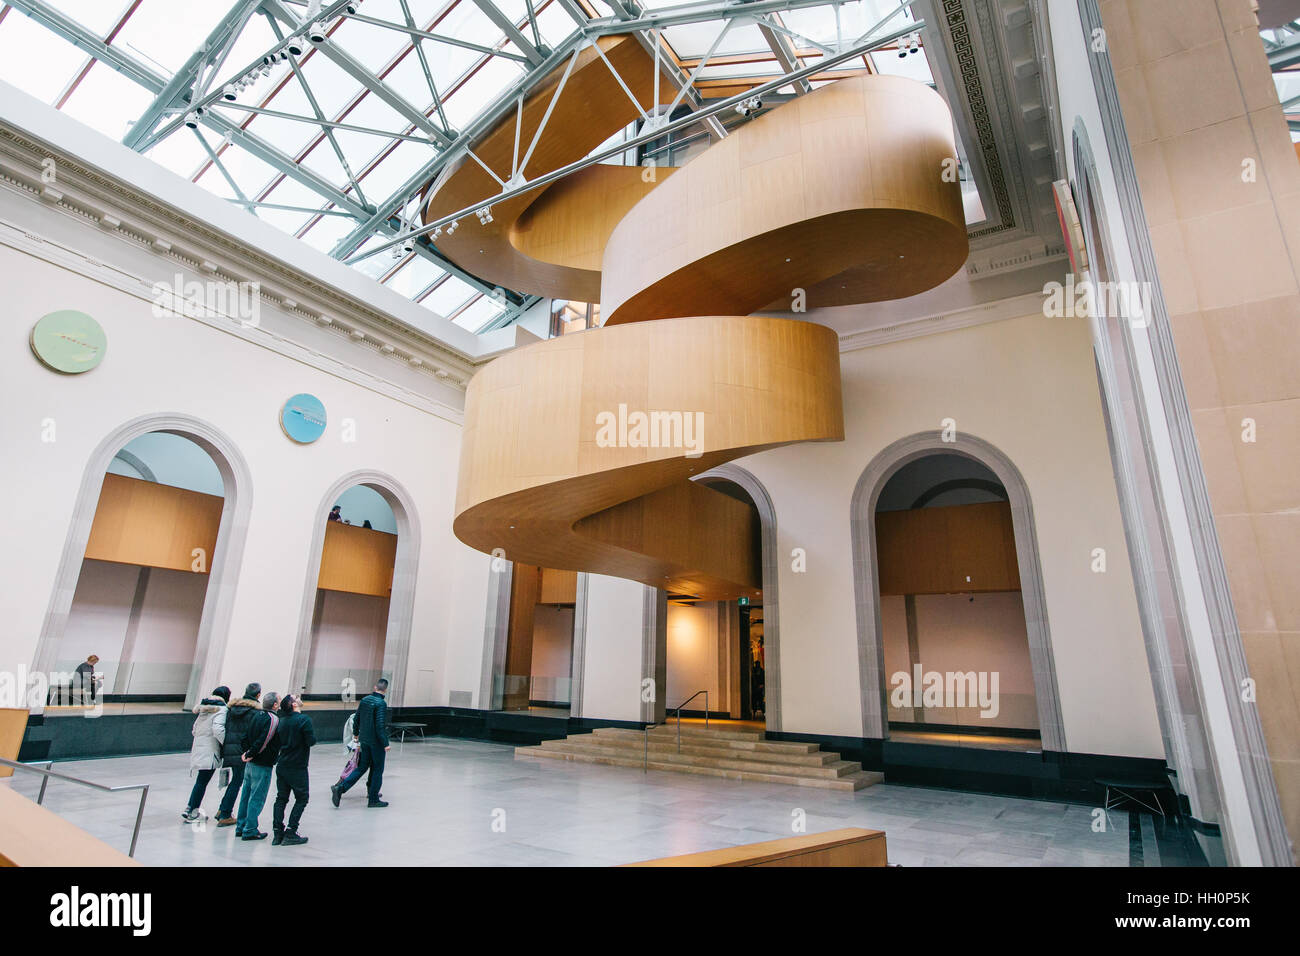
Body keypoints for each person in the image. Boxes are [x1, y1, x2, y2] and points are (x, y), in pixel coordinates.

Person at [331, 679, 389, 808]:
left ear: (375, 687)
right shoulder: (381, 703)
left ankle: (340, 788)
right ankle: (373, 799)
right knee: (377, 769)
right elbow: (379, 725)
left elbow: (356, 718)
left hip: (364, 740)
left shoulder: (365, 700)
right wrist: (385, 743)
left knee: (362, 767)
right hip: (376, 742)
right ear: (385, 689)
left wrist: (356, 734)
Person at [214, 684, 262, 828]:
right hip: (242, 752)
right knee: (237, 782)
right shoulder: (254, 712)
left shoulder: (232, 709)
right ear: (258, 695)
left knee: (235, 780)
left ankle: (223, 809)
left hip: (230, 749)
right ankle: (225, 814)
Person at [236, 691, 281, 841]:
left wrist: (246, 753)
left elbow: (245, 735)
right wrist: (251, 753)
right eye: (279, 701)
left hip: (250, 763)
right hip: (261, 763)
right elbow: (264, 740)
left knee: (246, 795)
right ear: (274, 704)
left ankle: (241, 826)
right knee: (257, 797)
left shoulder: (257, 715)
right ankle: (250, 829)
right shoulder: (273, 719)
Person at [271, 694, 315, 847]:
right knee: (302, 798)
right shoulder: (304, 720)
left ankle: (277, 832)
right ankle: (291, 831)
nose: (298, 697)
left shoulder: (282, 721)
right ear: (294, 704)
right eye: (296, 697)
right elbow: (311, 741)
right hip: (297, 765)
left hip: (283, 764)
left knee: (281, 798)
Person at [182, 686, 230, 822]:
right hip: (211, 751)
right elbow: (218, 729)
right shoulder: (222, 709)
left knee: (200, 781)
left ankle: (190, 808)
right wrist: (225, 743)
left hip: (199, 749)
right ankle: (192, 811)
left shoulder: (203, 708)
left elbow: (194, 729)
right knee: (202, 782)